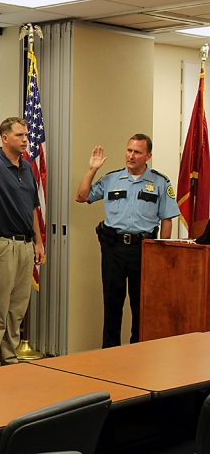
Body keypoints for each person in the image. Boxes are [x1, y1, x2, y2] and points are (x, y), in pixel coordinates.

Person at [75, 134, 179, 348]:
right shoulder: (112, 179)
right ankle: (110, 353)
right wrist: (92, 169)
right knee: (112, 305)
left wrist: (160, 253)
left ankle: (138, 353)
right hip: (114, 249)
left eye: (137, 152)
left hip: (144, 250)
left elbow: (167, 220)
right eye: (129, 150)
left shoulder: (160, 182)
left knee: (141, 306)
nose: (131, 156)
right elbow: (82, 196)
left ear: (148, 155)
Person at [0, 118, 45, 369]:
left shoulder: (26, 168)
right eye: (20, 135)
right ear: (4, 138)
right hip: (0, 244)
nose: (26, 139)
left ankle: (9, 358)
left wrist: (38, 241)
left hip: (24, 246)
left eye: (26, 135)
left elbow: (32, 208)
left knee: (16, 310)